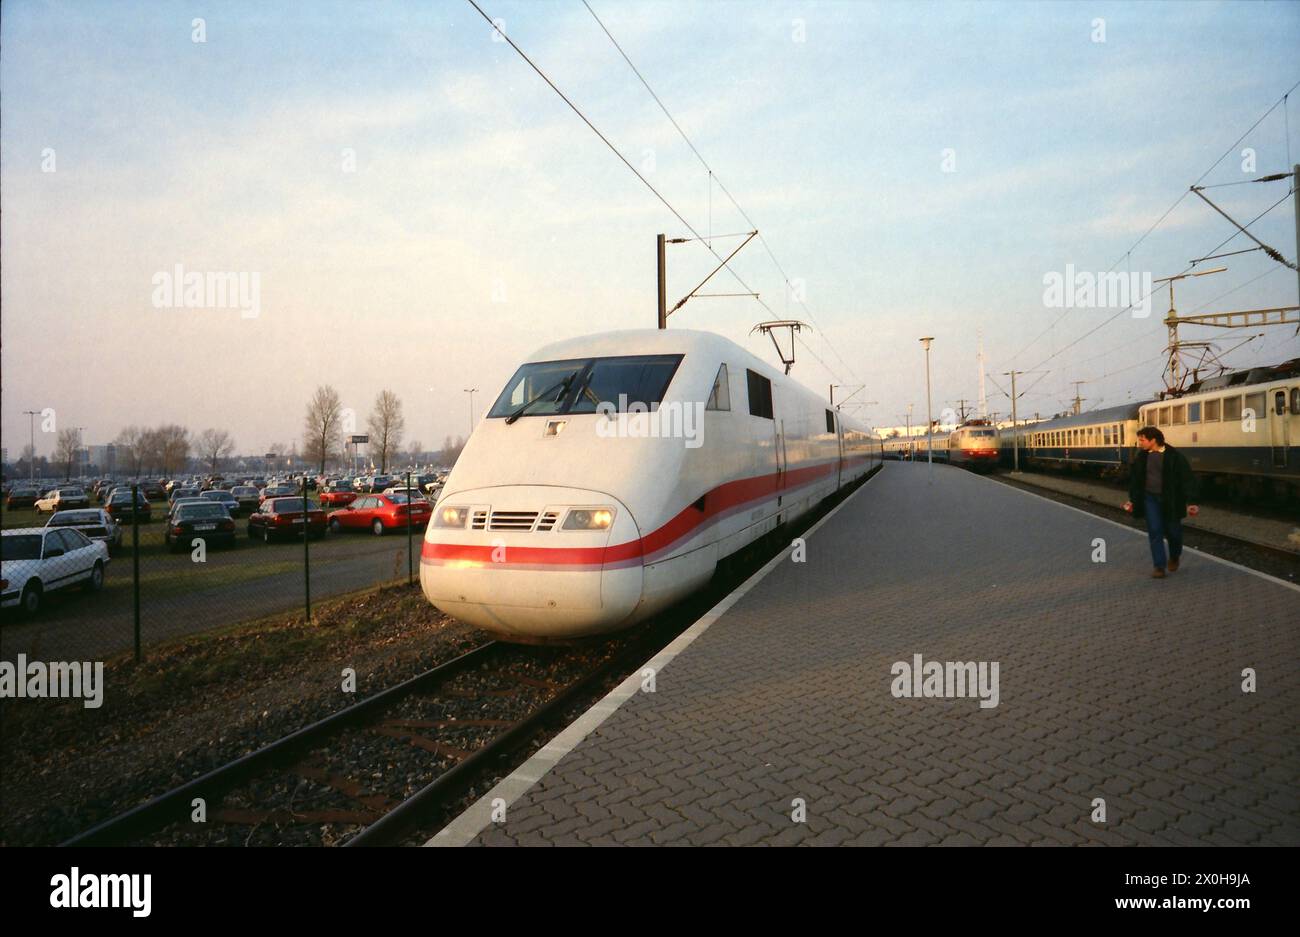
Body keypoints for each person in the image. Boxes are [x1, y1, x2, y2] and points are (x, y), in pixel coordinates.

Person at [1123, 426, 1199, 578]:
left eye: (1142, 440)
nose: (1140, 443)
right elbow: (1136, 482)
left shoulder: (1174, 456)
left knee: (1173, 532)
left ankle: (1175, 556)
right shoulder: (1141, 457)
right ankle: (1159, 566)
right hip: (1150, 499)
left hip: (1171, 500)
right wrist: (1132, 500)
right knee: (1155, 531)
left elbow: (1187, 479)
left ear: (1153, 440)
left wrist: (1192, 502)